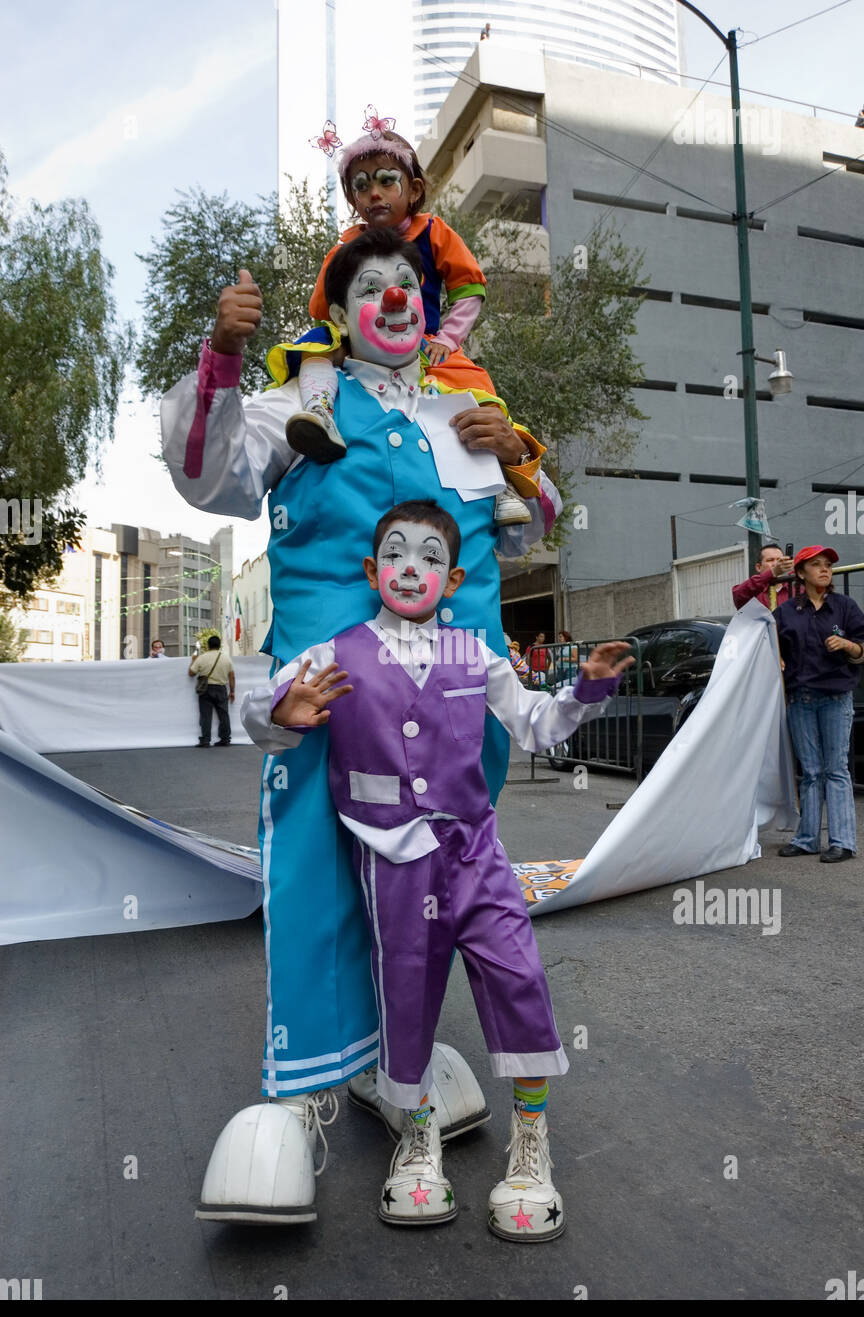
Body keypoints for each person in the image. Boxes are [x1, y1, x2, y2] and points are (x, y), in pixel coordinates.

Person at [161, 223, 562, 1222]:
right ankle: (302, 1098)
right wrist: (219, 354)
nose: (394, 299)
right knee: (316, 881)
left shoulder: (465, 401)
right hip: (331, 698)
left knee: (429, 899)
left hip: (462, 706)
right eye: (370, 286)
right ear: (338, 313)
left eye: (408, 284)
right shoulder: (306, 397)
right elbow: (210, 473)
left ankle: (403, 1067)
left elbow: (542, 510)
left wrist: (518, 457)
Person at [242, 498, 634, 1238]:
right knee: (407, 994)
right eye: (396, 554)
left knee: (519, 976)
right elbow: (260, 713)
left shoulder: (477, 653)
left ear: (452, 579)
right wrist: (280, 715)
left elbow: (536, 724)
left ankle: (530, 1145)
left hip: (476, 852)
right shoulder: (335, 651)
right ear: (372, 569)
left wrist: (585, 689)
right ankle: (417, 1142)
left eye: (428, 557)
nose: (410, 568)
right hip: (393, 860)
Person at [276, 120, 532, 525]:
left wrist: (447, 339)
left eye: (385, 181)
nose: (373, 193)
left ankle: (501, 489)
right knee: (313, 352)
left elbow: (469, 288)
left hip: (427, 342)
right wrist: (344, 344)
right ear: (352, 199)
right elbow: (321, 306)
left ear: (413, 189)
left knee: (479, 392)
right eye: (361, 186)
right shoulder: (346, 245)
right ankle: (320, 414)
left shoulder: (433, 231)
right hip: (368, 341)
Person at [774, 546, 864, 863]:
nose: (824, 569)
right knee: (811, 771)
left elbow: (863, 648)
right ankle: (807, 839)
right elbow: (768, 646)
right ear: (800, 573)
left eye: (828, 565)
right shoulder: (785, 612)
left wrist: (849, 644)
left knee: (836, 768)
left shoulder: (845, 607)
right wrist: (778, 658)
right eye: (816, 565)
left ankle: (842, 842)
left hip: (836, 697)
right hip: (801, 698)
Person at [188, 635, 235, 747]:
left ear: (208, 645)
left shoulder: (202, 658)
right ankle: (225, 739)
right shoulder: (226, 658)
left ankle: (205, 740)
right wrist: (232, 691)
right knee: (224, 715)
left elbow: (191, 673)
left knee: (206, 715)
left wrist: (193, 661)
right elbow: (232, 676)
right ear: (219, 645)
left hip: (206, 689)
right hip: (221, 689)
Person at [732, 542, 794, 611]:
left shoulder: (796, 590)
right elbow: (738, 594)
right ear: (758, 567)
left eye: (779, 560)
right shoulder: (752, 593)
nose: (776, 564)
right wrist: (773, 572)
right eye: (770, 560)